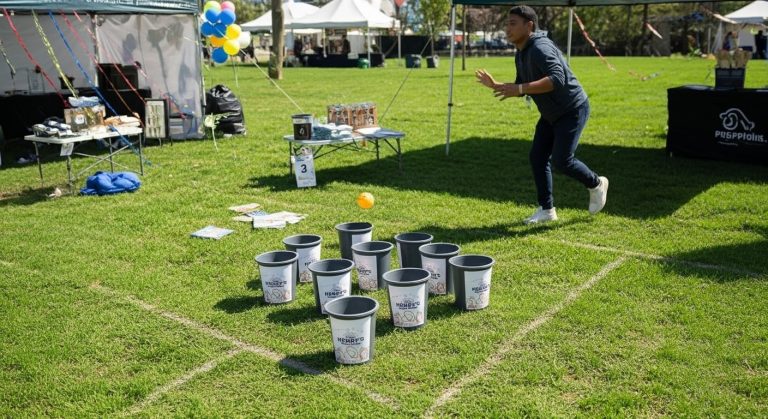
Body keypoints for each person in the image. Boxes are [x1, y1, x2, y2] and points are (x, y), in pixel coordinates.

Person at [475, 5, 608, 224]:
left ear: (529, 25)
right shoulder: (521, 52)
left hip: (572, 108)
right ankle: (547, 210)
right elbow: (524, 85)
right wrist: (499, 85)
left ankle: (596, 183)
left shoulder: (540, 48)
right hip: (550, 114)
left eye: (512, 24)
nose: (507, 29)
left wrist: (519, 89)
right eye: (506, 23)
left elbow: (557, 79)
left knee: (562, 161)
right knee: (537, 157)